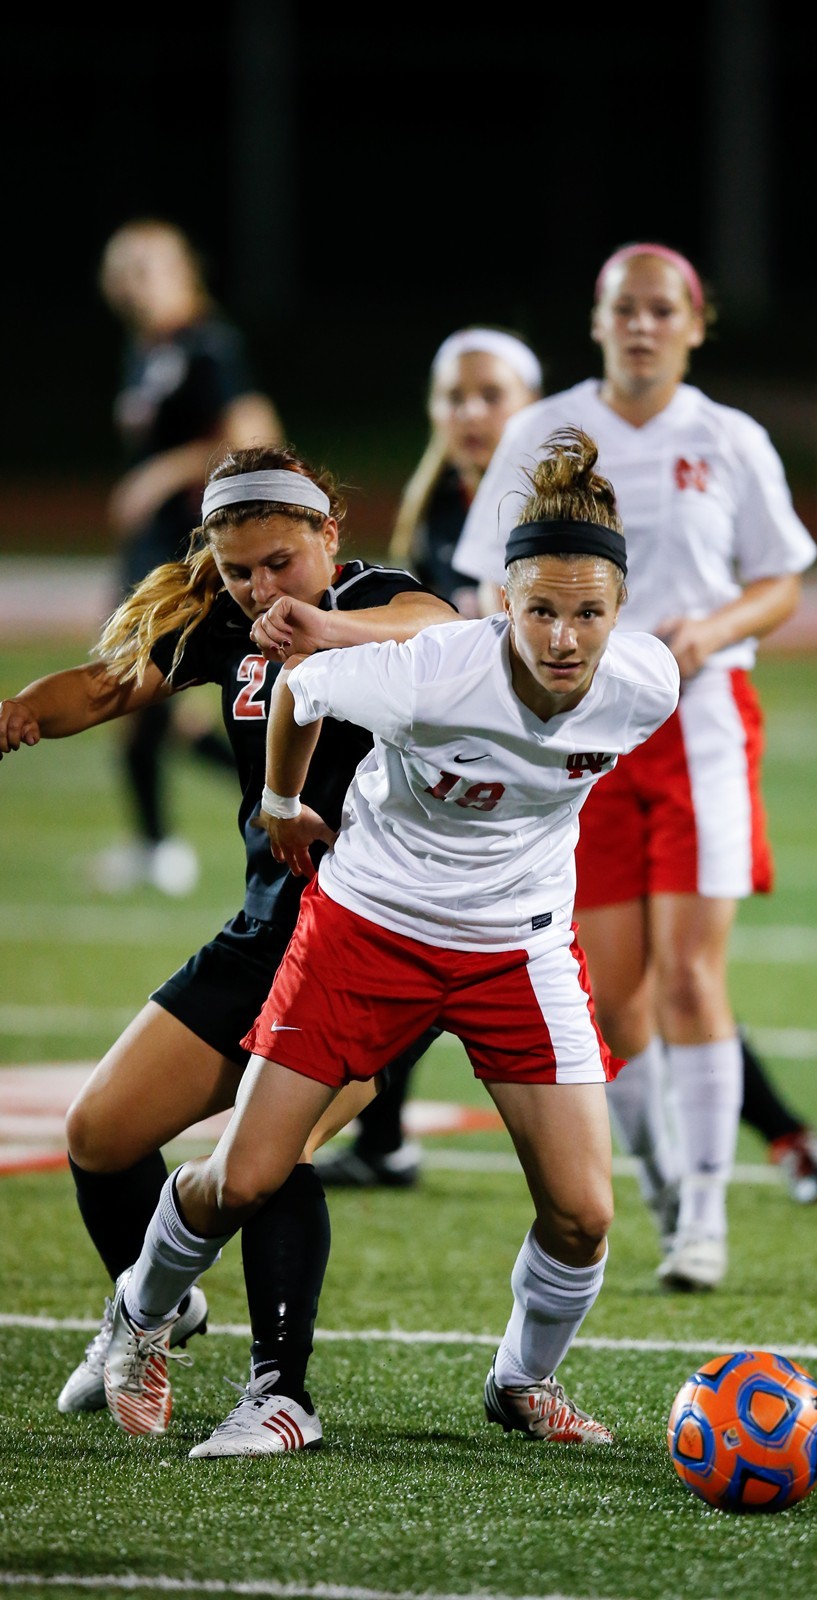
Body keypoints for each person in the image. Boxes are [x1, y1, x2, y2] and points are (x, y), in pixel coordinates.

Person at [98, 426, 680, 1448]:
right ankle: (141, 1312)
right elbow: (305, 688)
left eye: (587, 612)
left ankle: (519, 1379)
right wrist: (281, 799)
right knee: (242, 1176)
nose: (561, 636)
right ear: (502, 601)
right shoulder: (433, 669)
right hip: (367, 930)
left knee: (585, 1214)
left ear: (618, 611)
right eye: (538, 608)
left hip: (519, 947)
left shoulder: (647, 685)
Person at [0, 443, 454, 1456]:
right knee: (100, 1133)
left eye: (281, 562)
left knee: (262, 1156)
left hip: (368, 953)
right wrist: (26, 712)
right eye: (241, 568)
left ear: (328, 535)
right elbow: (109, 686)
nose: (260, 586)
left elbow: (444, 632)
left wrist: (320, 623)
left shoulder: (380, 598)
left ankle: (281, 1391)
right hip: (262, 932)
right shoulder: (224, 620)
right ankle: (156, 1311)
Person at [453, 241, 817, 1293]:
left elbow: (783, 578)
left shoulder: (728, 438)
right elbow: (484, 578)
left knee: (687, 974)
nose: (639, 324)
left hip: (701, 724)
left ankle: (705, 1215)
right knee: (614, 999)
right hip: (581, 737)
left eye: (659, 309)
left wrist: (709, 631)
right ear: (595, 321)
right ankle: (668, 1185)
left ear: (693, 322)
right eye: (621, 308)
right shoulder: (543, 430)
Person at [317, 324, 544, 1190]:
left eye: (491, 396)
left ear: (530, 406)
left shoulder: (538, 505)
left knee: (642, 981)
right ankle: (382, 1140)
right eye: (456, 396)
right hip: (456, 768)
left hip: (528, 779)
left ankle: (776, 1132)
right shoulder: (443, 498)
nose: (472, 412)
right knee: (409, 945)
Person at [94, 216, 285, 896]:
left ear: (184, 268)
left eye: (147, 263)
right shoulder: (148, 349)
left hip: (182, 547)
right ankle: (161, 842)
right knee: (155, 706)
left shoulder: (209, 346)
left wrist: (163, 476)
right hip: (147, 549)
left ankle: (276, 804)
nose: (131, 278)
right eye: (123, 266)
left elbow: (255, 435)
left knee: (142, 695)